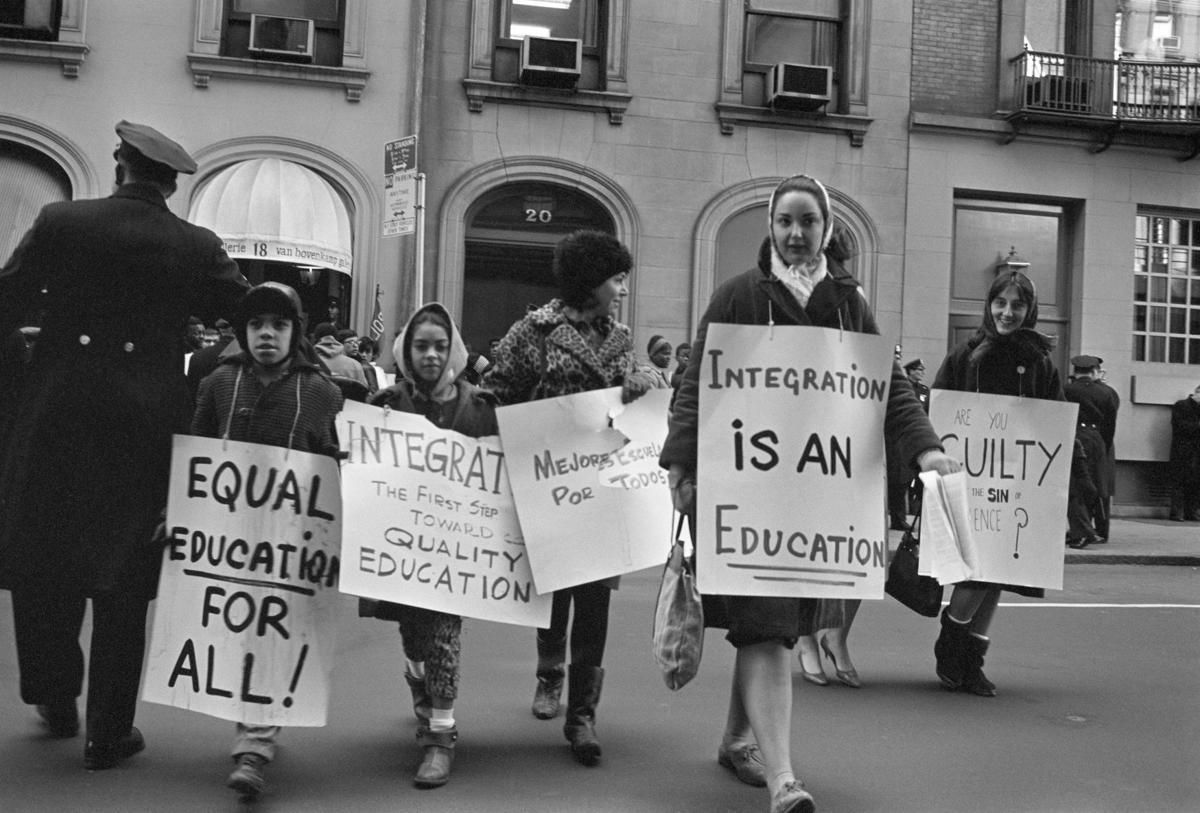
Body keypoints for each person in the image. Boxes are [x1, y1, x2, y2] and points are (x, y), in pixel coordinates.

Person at [659, 174, 959, 813]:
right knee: (764, 628)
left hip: (817, 500)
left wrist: (926, 447)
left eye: (809, 222)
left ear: (827, 229)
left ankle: (738, 737)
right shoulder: (737, 296)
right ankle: (782, 779)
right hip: (746, 496)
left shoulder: (850, 304)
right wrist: (680, 465)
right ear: (769, 227)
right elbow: (694, 387)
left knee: (776, 629)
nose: (797, 234)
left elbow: (887, 390)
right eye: (786, 222)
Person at [0, 120, 247, 769]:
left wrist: (20, 383)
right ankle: (108, 732)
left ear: (119, 166)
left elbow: (5, 303)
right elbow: (253, 314)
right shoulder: (197, 244)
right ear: (169, 183)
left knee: (46, 559)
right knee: (125, 576)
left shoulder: (60, 221)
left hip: (57, 414)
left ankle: (55, 695)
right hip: (144, 427)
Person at [484, 229, 652, 767]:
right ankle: (549, 674)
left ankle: (583, 714)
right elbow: (496, 396)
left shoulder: (622, 338)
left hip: (603, 490)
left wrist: (646, 381)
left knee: (597, 600)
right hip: (548, 488)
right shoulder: (533, 331)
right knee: (555, 593)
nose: (623, 290)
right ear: (591, 280)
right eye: (616, 278)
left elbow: (639, 395)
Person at [190, 283, 343, 799]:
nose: (267, 335)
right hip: (228, 543)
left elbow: (336, 468)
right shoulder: (218, 383)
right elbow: (198, 455)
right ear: (244, 332)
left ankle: (254, 746)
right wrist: (179, 514)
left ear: (295, 333)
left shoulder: (322, 393)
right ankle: (254, 729)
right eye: (257, 326)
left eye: (278, 326)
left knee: (271, 640)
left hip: (291, 545)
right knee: (238, 637)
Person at [362, 303, 499, 789]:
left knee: (443, 635)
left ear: (454, 350)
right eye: (421, 346)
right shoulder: (382, 405)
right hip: (400, 553)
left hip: (453, 558)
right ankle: (418, 683)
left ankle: (441, 735)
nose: (431, 355)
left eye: (440, 346)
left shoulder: (480, 408)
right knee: (413, 634)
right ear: (405, 350)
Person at [930, 269, 1074, 697]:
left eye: (1018, 305)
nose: (1008, 312)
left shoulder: (1040, 362)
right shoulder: (965, 355)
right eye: (1001, 303)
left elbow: (1056, 427)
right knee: (976, 574)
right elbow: (937, 413)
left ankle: (968, 663)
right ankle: (951, 650)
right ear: (989, 305)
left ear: (1030, 310)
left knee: (1000, 573)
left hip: (1017, 489)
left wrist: (1066, 491)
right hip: (969, 484)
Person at [1064, 355, 1119, 541]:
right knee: (1098, 485)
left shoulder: (1067, 390)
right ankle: (1099, 530)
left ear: (1075, 372)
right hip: (1097, 439)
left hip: (1074, 436)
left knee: (1077, 485)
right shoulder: (1106, 393)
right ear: (1094, 372)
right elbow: (1110, 423)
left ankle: (1080, 530)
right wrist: (1105, 444)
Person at [311, 321, 369, 400]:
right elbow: (364, 395)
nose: (355, 345)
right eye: (351, 342)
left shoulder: (306, 362)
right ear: (337, 340)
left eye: (356, 342)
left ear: (315, 338)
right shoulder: (355, 365)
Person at [1169, 383, 1200, 521]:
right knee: (1179, 481)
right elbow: (1179, 426)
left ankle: (1191, 511)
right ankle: (1177, 512)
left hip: (1194, 450)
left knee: (1196, 482)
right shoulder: (1181, 405)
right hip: (1182, 450)